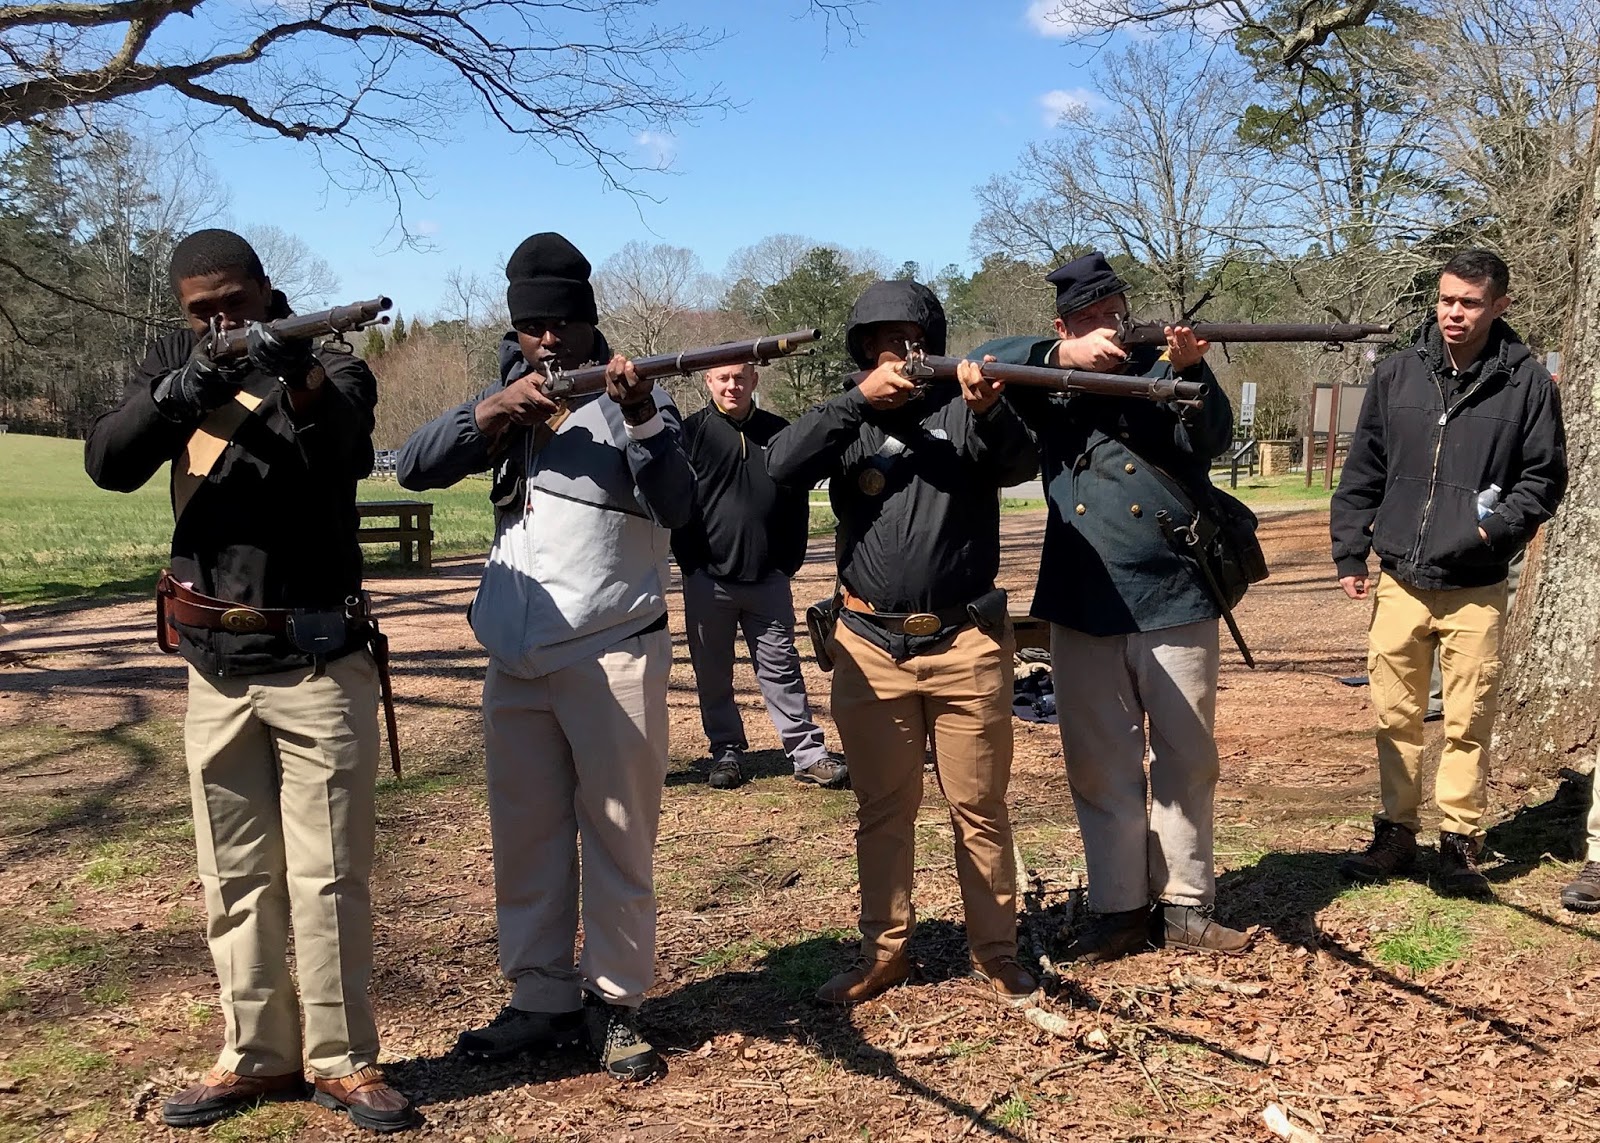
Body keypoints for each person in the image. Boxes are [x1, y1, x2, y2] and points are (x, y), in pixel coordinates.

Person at [83, 230, 413, 1132]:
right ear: (185, 311)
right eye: (203, 310)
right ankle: (255, 1054)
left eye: (235, 300)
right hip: (214, 670)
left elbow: (342, 448)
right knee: (233, 874)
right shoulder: (173, 367)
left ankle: (343, 1060)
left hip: (315, 659)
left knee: (331, 874)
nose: (223, 319)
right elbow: (109, 461)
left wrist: (293, 371)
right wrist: (187, 384)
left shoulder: (332, 363)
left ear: (266, 289)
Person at [396, 233, 694, 1081]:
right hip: (515, 658)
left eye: (562, 322)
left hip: (612, 652)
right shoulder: (508, 400)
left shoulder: (641, 397)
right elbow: (415, 466)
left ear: (588, 322)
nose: (549, 339)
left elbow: (681, 507)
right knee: (524, 836)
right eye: (533, 325)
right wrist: (495, 412)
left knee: (618, 835)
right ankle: (541, 995)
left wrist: (637, 415)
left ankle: (616, 1001)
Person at [765, 279, 1040, 1007]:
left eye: (909, 339)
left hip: (967, 642)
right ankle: (883, 954)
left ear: (932, 340)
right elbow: (781, 465)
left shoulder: (967, 402)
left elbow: (1017, 463)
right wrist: (858, 398)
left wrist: (990, 404)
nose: (897, 351)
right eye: (881, 340)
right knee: (883, 809)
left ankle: (997, 951)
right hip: (868, 645)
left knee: (979, 806)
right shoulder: (847, 417)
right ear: (863, 349)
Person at [973, 251, 1249, 963]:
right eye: (1088, 319)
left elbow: (1211, 438)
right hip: (1084, 596)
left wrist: (1191, 368)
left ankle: (1187, 903)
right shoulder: (1043, 376)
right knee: (1099, 765)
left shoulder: (1161, 363)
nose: (1107, 327)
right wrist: (1065, 355)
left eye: (1112, 314)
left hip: (1175, 591)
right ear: (1063, 325)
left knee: (1187, 758)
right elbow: (983, 359)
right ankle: (1119, 906)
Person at [1332, 248, 1567, 897]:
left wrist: (1488, 531)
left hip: (1476, 585)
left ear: (1499, 305)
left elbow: (1544, 478)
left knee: (1468, 718)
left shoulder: (1525, 383)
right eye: (1446, 300)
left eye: (1468, 302)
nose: (1453, 313)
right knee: (1395, 713)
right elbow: (1363, 471)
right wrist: (1351, 549)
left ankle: (1459, 843)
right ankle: (1395, 832)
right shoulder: (1397, 375)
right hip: (1400, 577)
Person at [672, 362, 849, 791]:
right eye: (722, 378)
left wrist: (788, 561)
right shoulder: (689, 433)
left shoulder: (779, 431)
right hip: (708, 579)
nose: (732, 385)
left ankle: (807, 754)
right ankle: (727, 751)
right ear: (707, 381)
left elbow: (798, 498)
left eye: (740, 377)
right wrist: (691, 561)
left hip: (768, 578)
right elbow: (675, 503)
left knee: (782, 668)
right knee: (713, 672)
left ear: (754, 380)